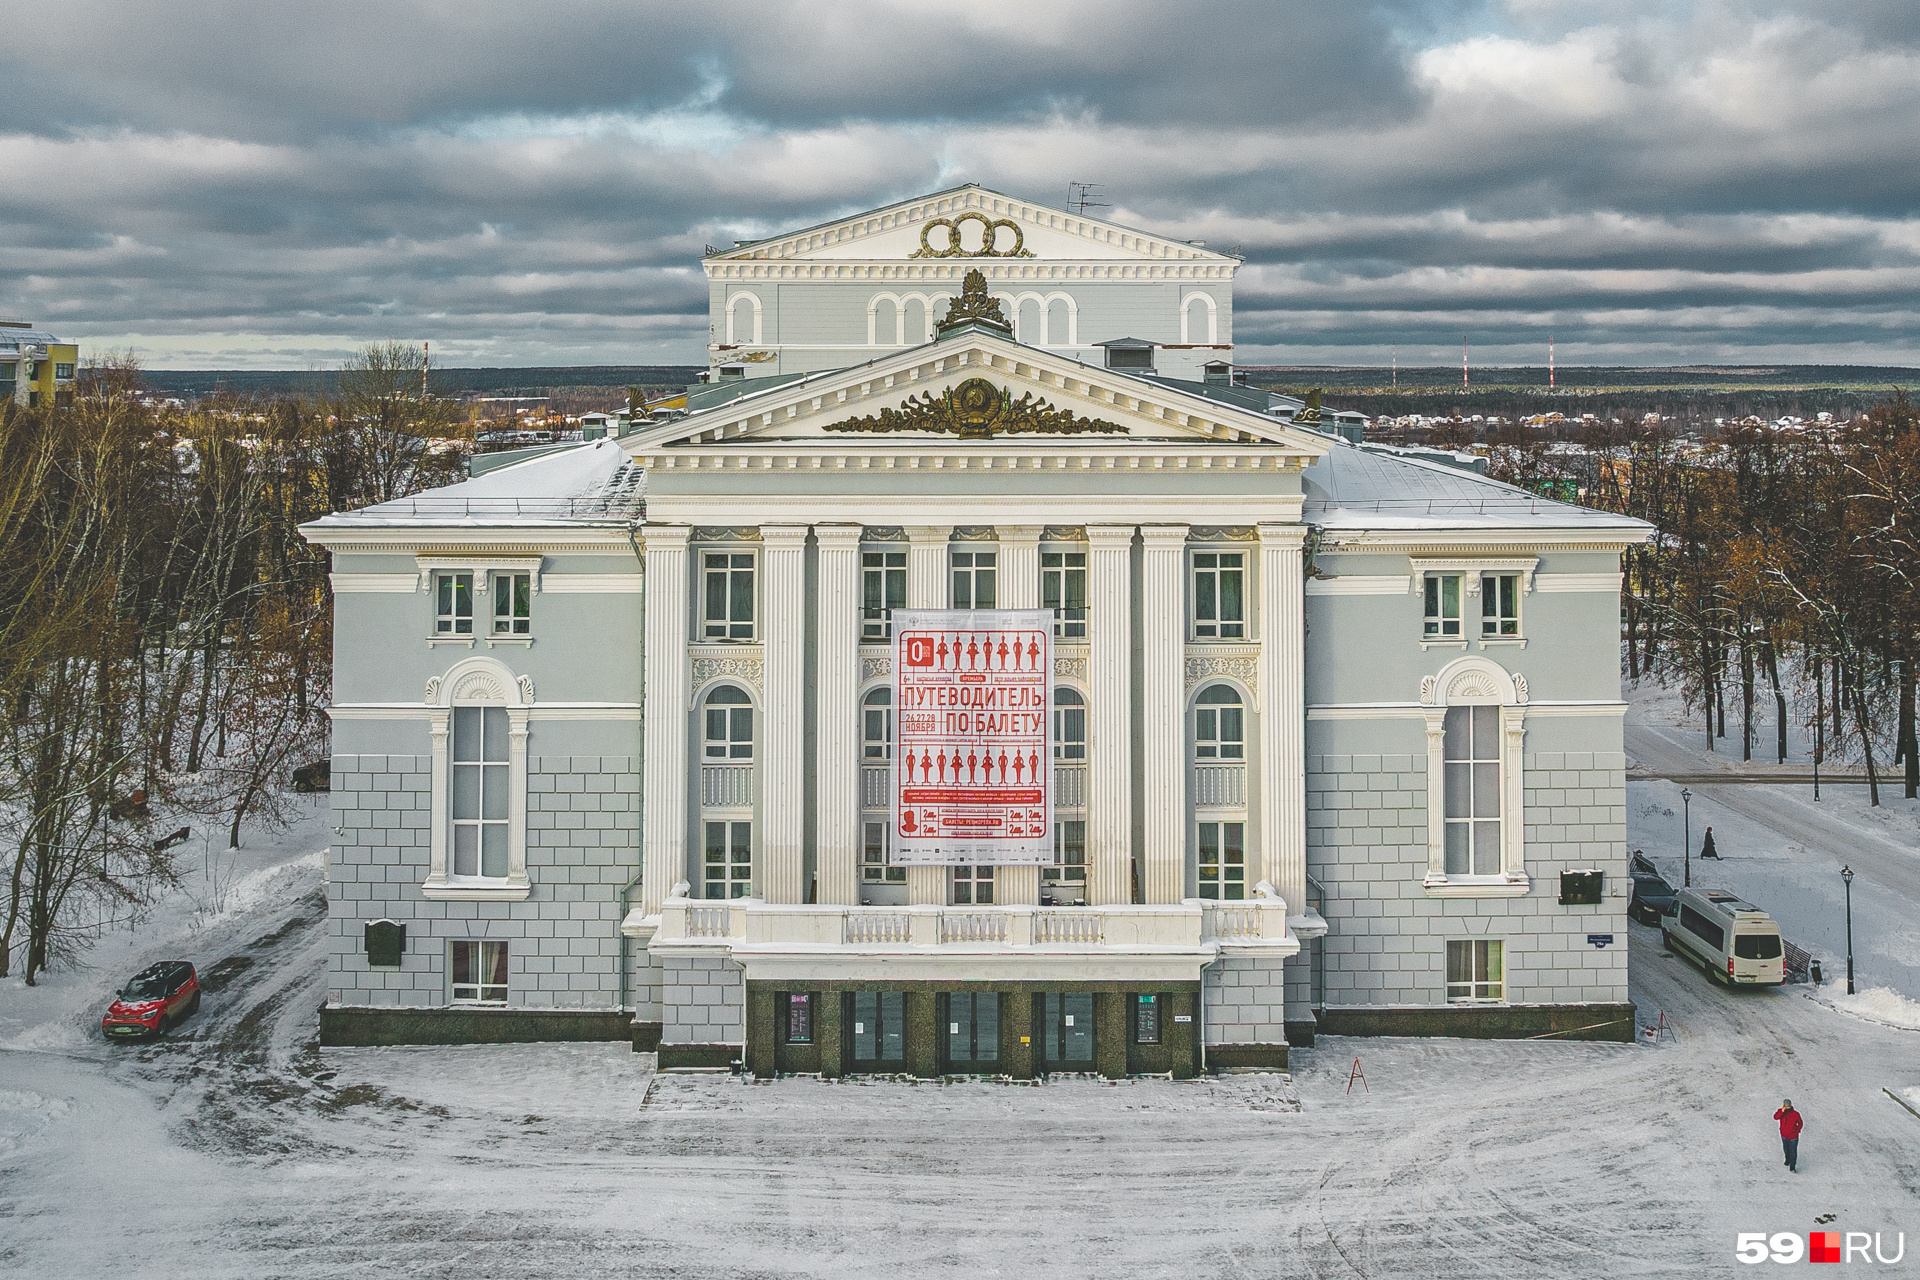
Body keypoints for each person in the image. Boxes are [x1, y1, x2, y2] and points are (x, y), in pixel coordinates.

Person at [1774, 1100, 1802, 1172]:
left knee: (1793, 1152)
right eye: (1786, 1106)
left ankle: (1792, 1167)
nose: (1787, 1108)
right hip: (1784, 1135)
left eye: (1788, 1106)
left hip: (1793, 1137)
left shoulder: (1796, 1114)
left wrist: (1796, 1131)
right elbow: (1776, 1117)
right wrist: (1781, 1111)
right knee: (1786, 1149)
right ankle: (1787, 1160)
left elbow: (1800, 1123)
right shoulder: (1781, 1112)